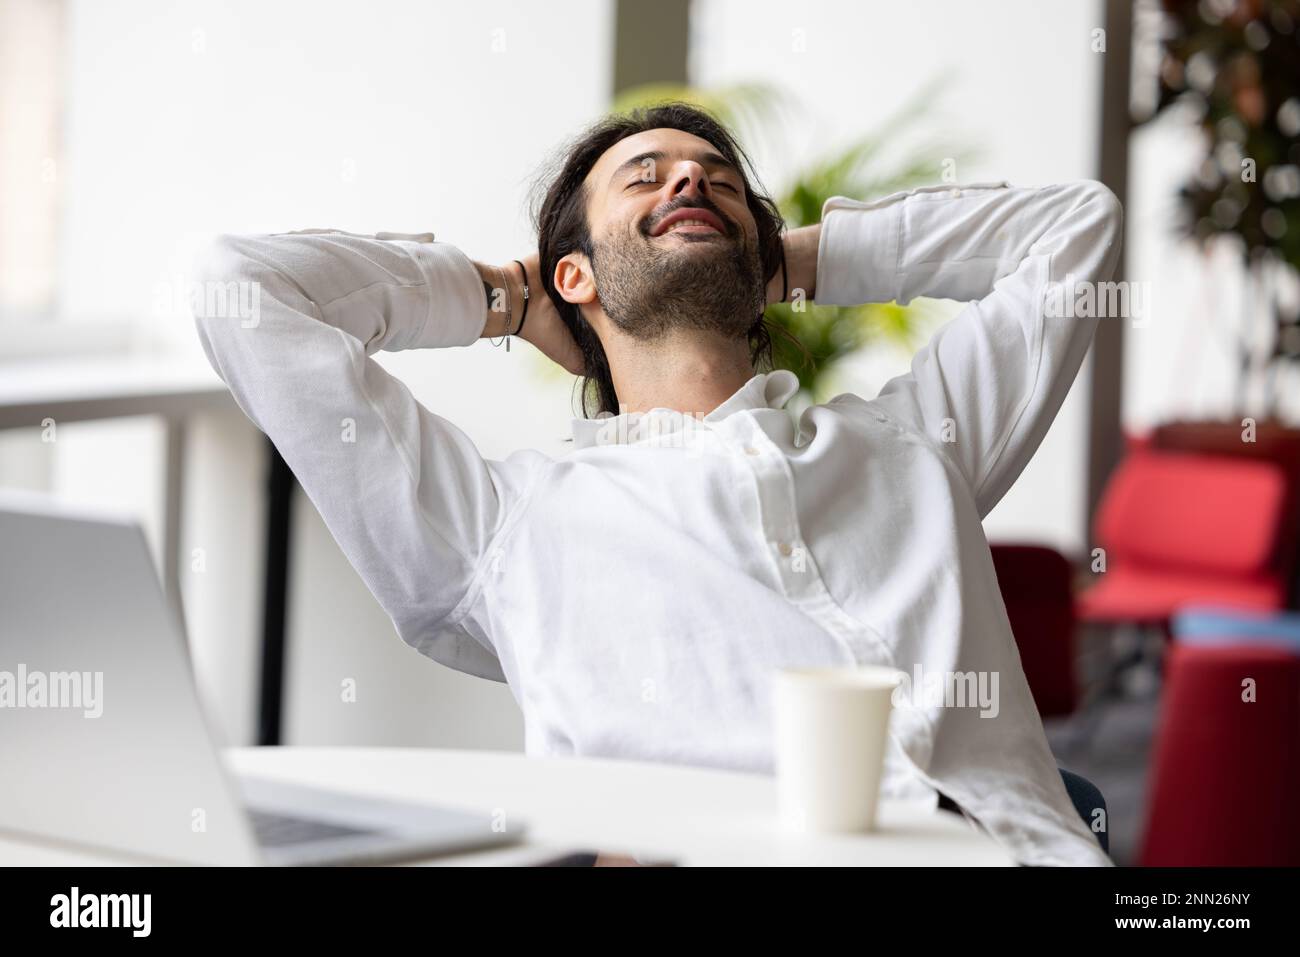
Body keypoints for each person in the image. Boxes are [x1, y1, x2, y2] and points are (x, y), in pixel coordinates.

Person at [193, 103, 1121, 866]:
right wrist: (503, 295)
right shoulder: (500, 528)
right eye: (645, 176)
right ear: (576, 277)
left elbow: (1077, 227)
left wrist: (795, 258)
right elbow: (245, 292)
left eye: (718, 184)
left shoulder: (920, 439)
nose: (687, 181)